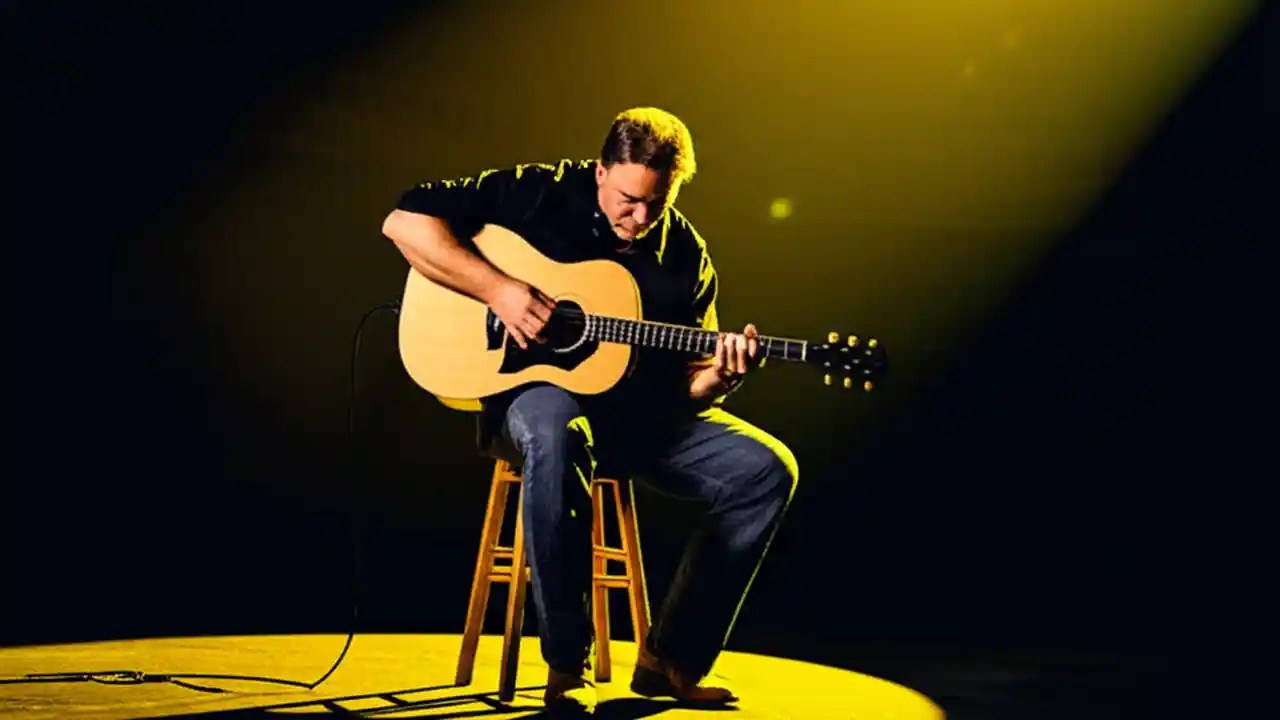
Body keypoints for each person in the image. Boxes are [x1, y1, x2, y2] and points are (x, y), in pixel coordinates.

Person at [382, 107, 798, 715]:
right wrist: (500, 288)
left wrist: (720, 376)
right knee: (558, 429)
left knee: (767, 470)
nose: (640, 218)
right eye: (628, 199)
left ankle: (672, 659)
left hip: (636, 420)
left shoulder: (684, 254)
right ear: (601, 171)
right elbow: (404, 222)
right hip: (538, 401)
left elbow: (682, 394)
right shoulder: (539, 194)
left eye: (656, 204)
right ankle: (564, 663)